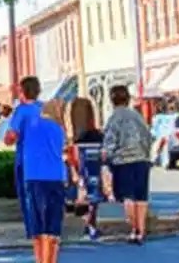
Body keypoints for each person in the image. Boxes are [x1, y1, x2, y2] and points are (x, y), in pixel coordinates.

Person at [102, 85, 155, 245]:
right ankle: (142, 230)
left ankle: (134, 229)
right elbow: (148, 137)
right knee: (141, 196)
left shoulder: (114, 118)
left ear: (112, 101)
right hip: (142, 160)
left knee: (128, 196)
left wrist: (106, 159)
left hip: (123, 161)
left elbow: (110, 142)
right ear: (128, 99)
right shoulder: (138, 117)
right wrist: (146, 155)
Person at [22, 99, 68, 263]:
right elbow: (63, 150)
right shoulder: (59, 129)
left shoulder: (31, 127)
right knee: (52, 226)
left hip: (33, 177)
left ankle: (40, 259)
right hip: (55, 177)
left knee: (38, 226)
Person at [3, 76, 44, 241]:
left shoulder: (21, 111)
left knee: (28, 195)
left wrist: (8, 137)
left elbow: (10, 137)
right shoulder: (46, 108)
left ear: (22, 91)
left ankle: (34, 230)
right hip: (46, 158)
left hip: (26, 159)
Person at [66, 98, 106, 240]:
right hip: (95, 171)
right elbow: (104, 155)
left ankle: (87, 225)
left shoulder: (72, 139)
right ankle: (91, 226)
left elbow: (71, 158)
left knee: (82, 197)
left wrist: (74, 172)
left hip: (80, 172)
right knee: (93, 199)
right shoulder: (98, 136)